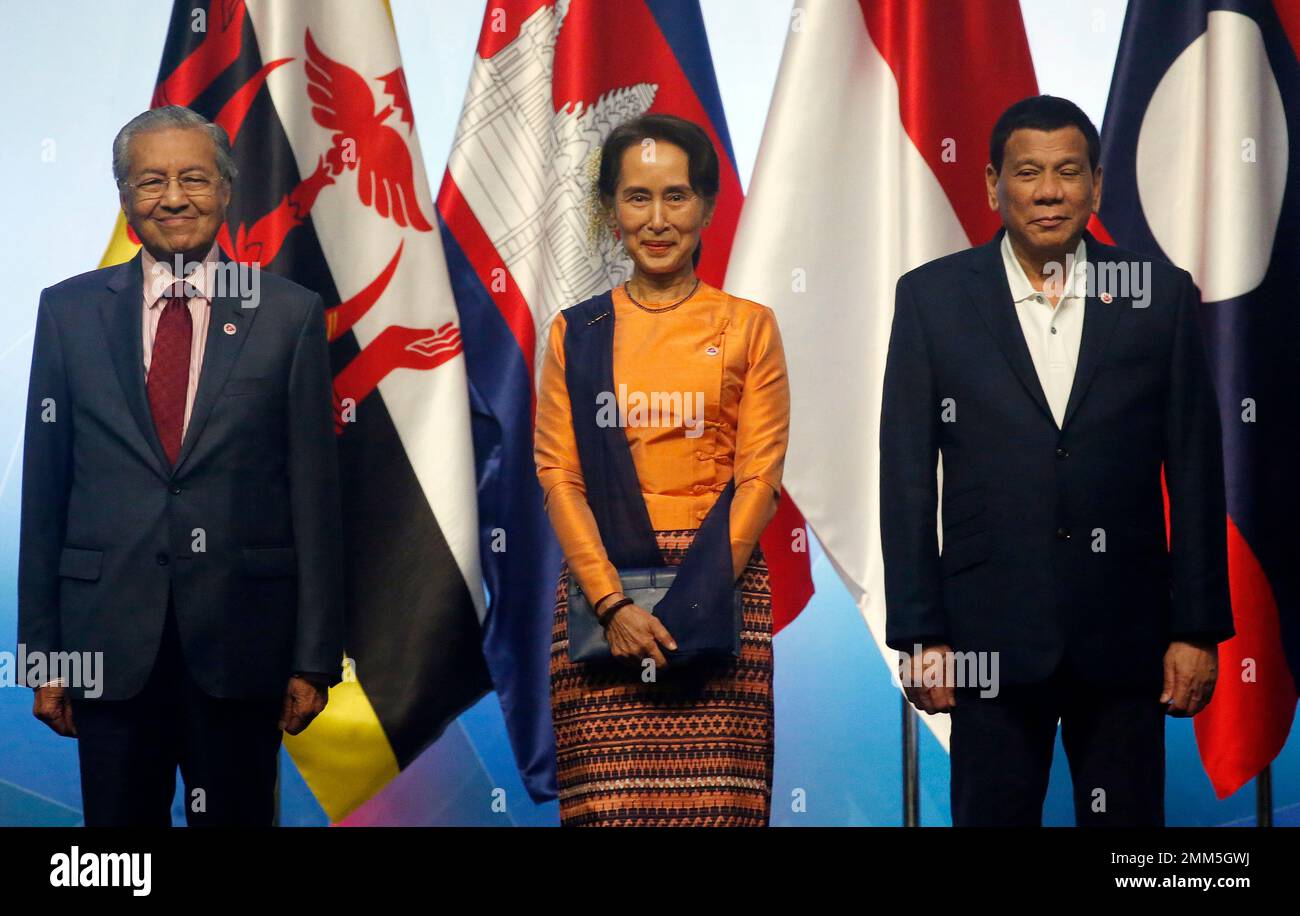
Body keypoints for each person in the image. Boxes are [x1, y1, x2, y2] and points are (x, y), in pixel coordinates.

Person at [880, 95, 1233, 826]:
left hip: (1128, 637)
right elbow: (905, 478)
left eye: (1069, 172)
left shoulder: (1158, 297)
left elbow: (1197, 473)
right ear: (991, 185)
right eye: (1029, 172)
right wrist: (922, 635)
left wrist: (1196, 630)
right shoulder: (932, 300)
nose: (1049, 191)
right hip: (986, 639)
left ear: (1097, 186)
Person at [18, 105, 344, 826]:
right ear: (126, 200)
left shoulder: (287, 314)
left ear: (227, 190)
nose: (173, 197)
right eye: (150, 181)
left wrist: (314, 656)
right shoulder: (67, 312)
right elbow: (44, 493)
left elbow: (315, 498)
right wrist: (42, 658)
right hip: (105, 646)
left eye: (194, 178)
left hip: (242, 644)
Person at [534, 114, 790, 826]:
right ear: (611, 211)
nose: (657, 219)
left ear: (705, 206)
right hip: (601, 596)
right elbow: (559, 476)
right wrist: (615, 606)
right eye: (637, 197)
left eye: (676, 196)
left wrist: (691, 602)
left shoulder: (749, 326)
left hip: (723, 586)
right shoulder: (573, 332)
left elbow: (760, 478)